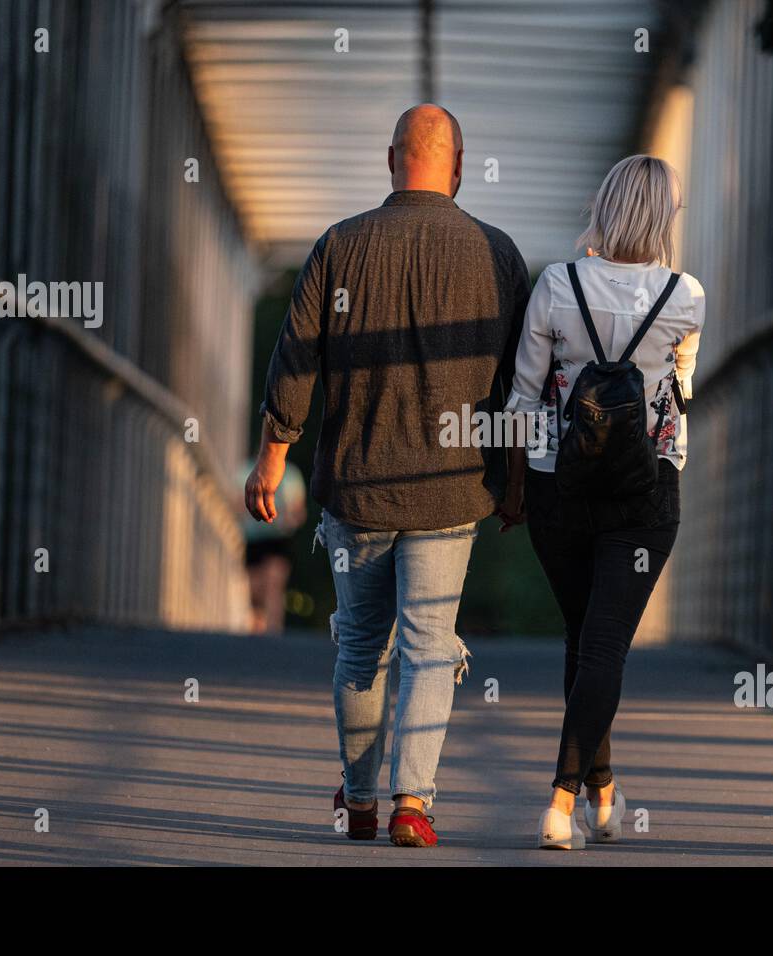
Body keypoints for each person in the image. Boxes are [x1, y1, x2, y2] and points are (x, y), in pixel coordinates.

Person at [245, 104, 530, 847]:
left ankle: (362, 799)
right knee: (432, 644)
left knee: (361, 644)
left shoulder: (341, 245)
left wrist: (274, 454)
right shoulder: (497, 255)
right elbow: (521, 382)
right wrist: (517, 476)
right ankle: (413, 803)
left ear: (390, 159)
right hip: (452, 486)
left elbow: (297, 356)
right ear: (458, 167)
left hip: (357, 483)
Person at [499, 155, 705, 849]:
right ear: (664, 219)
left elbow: (523, 398)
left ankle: (605, 794)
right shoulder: (686, 297)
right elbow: (684, 394)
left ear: (604, 206)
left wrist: (516, 484)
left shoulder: (556, 285)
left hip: (561, 483)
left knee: (586, 639)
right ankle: (561, 806)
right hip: (646, 493)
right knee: (605, 644)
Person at [236, 459, 306, 634]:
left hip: (278, 538)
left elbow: (299, 511)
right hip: (254, 538)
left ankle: (274, 634)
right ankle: (257, 631)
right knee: (255, 590)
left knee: (274, 583)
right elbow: (235, 504)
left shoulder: (291, 473)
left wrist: (291, 518)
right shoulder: (245, 471)